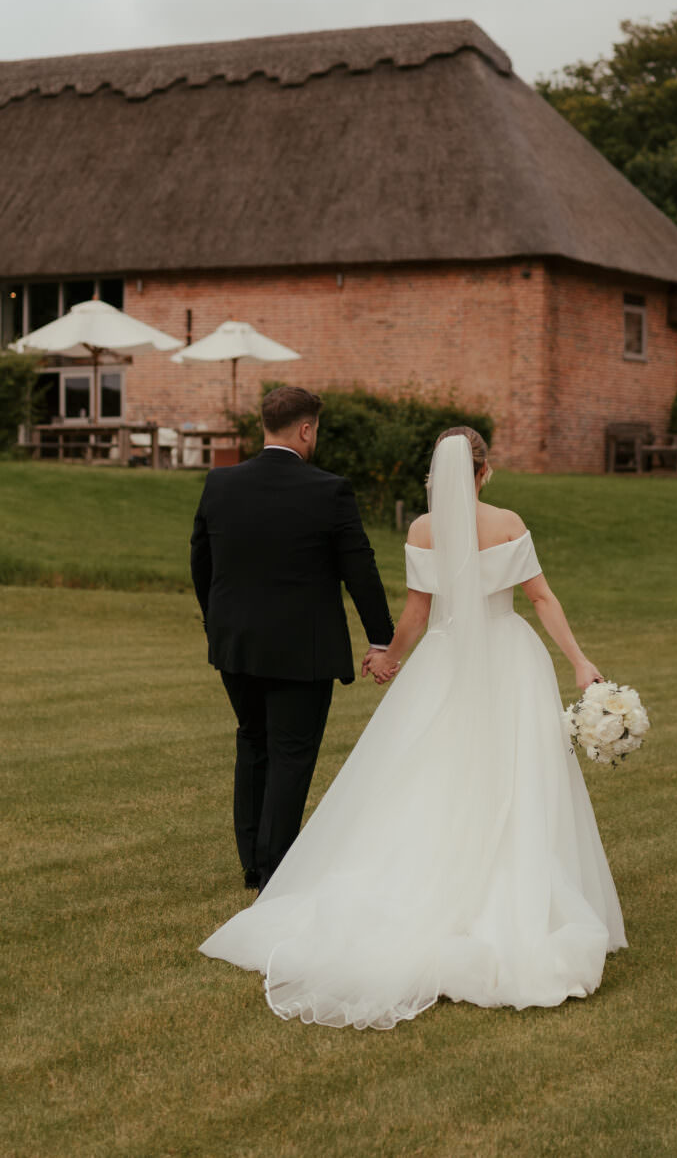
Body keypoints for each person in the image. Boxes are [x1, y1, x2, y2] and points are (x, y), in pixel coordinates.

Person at [200, 426, 624, 1028]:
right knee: (516, 773)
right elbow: (542, 599)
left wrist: (390, 656)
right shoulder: (507, 523)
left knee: (430, 770)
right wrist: (580, 662)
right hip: (510, 659)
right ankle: (512, 886)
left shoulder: (424, 530)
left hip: (443, 662)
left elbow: (418, 613)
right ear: (485, 471)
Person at [191, 385, 397, 892]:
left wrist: (216, 622)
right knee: (291, 753)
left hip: (235, 644)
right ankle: (274, 870)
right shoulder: (329, 490)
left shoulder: (220, 483)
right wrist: (381, 639)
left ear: (266, 424)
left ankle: (252, 863)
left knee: (253, 741)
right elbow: (361, 571)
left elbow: (201, 562)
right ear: (306, 429)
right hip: (301, 652)